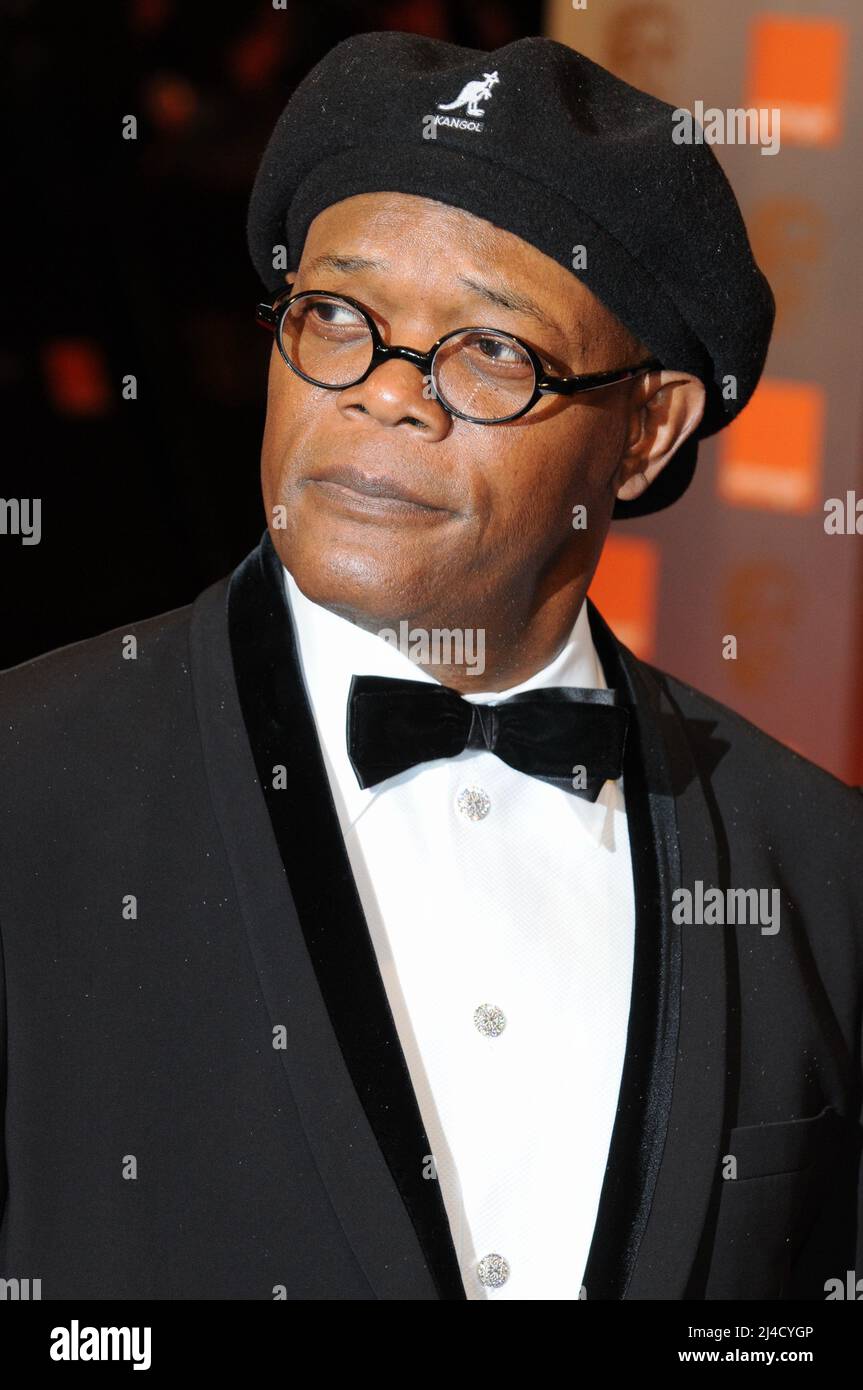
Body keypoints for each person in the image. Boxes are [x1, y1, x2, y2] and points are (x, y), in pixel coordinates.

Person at [0, 31, 860, 1302]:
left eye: (489, 351)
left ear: (646, 430)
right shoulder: (28, 781)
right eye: (338, 318)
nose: (386, 395)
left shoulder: (817, 868)